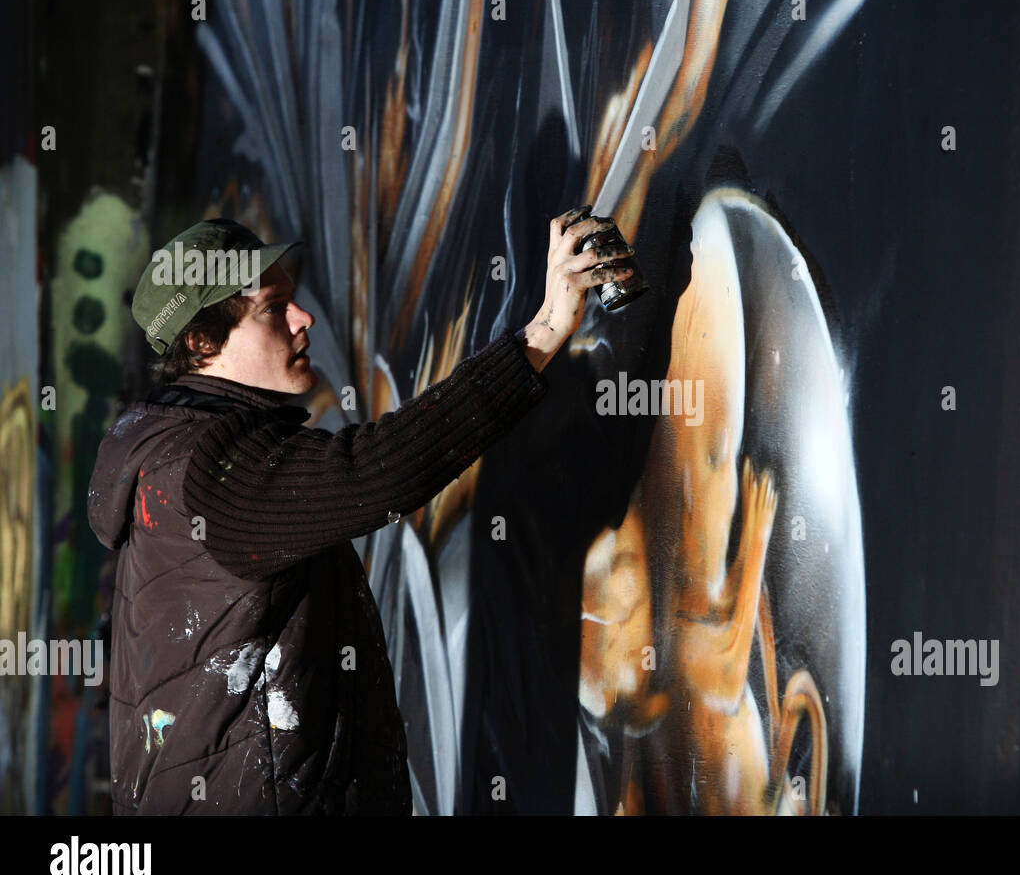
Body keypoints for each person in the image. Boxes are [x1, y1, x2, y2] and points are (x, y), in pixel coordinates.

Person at [87, 207, 634, 814]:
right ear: (201, 343)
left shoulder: (171, 457)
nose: (304, 319)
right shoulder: (206, 470)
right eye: (273, 309)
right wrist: (545, 330)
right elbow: (376, 472)